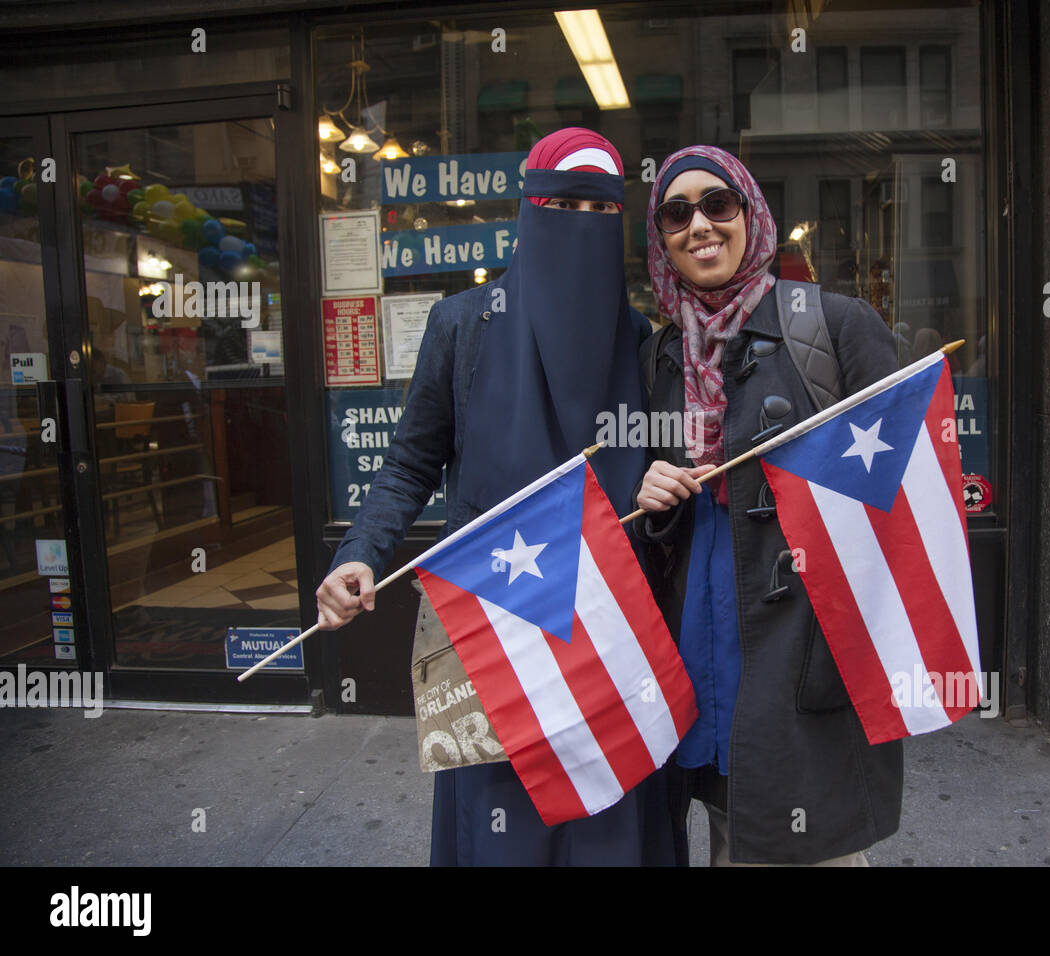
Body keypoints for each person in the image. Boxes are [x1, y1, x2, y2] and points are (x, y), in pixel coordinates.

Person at [315, 129, 680, 865]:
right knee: (502, 829)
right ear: (530, 209)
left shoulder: (639, 338)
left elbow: (666, 469)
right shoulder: (464, 324)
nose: (580, 220)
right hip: (498, 628)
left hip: (609, 629)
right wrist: (360, 553)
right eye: (562, 203)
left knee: (610, 828)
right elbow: (411, 460)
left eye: (600, 208)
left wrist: (660, 486)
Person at [633, 145, 903, 865]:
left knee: (816, 838)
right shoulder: (661, 355)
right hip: (704, 637)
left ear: (751, 214)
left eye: (719, 205)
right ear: (660, 238)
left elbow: (902, 492)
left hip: (804, 638)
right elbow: (658, 511)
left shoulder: (835, 326)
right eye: (676, 213)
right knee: (733, 824)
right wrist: (657, 500)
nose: (700, 226)